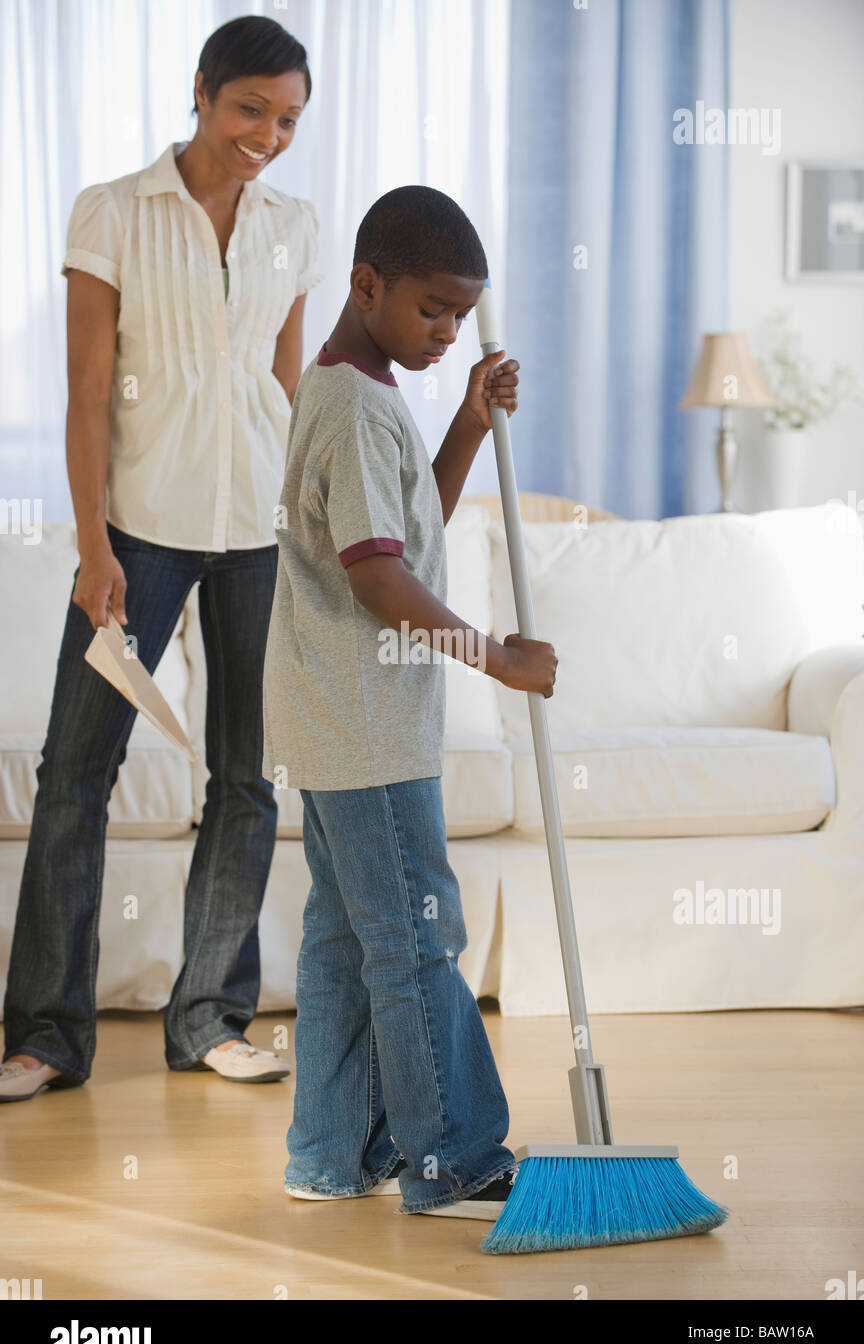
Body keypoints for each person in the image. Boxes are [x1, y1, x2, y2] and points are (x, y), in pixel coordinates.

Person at [0, 17, 323, 1102]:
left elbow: (282, 389)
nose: (266, 137)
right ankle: (46, 1034)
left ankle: (211, 1020)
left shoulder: (294, 226)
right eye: (250, 111)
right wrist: (93, 545)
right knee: (74, 778)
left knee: (245, 779)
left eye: (285, 120)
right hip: (137, 534)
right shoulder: (114, 211)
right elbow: (88, 392)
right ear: (201, 91)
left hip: (256, 540)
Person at [261, 185, 558, 1219]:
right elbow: (378, 577)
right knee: (418, 937)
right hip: (367, 725)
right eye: (432, 308)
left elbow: (407, 524)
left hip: (339, 722)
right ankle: (456, 1159)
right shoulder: (349, 405)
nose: (448, 333)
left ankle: (331, 1155)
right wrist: (497, 657)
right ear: (366, 283)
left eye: (463, 316)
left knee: (346, 940)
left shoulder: (353, 390)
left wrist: (469, 423)